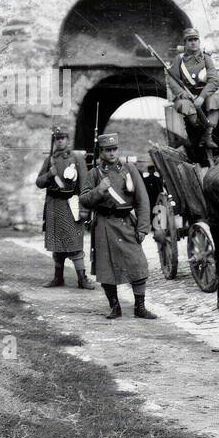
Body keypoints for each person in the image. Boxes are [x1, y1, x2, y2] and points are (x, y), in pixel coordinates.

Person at [80, 132, 156, 320]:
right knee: (106, 269)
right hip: (104, 225)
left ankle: (140, 307)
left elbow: (142, 200)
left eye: (114, 149)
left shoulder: (129, 169)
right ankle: (115, 307)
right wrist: (99, 190)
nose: (112, 153)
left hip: (126, 223)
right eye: (107, 150)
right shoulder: (94, 173)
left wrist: (143, 228)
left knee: (138, 264)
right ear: (101, 151)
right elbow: (84, 199)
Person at [34, 127, 95, 290]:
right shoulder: (50, 160)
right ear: (54, 140)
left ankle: (82, 279)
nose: (60, 141)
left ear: (68, 140)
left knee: (74, 244)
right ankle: (58, 277)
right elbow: (39, 183)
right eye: (57, 138)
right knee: (56, 244)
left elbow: (84, 185)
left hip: (70, 205)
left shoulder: (76, 158)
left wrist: (84, 208)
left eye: (63, 138)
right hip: (53, 206)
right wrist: (49, 175)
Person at [170, 27, 219, 159]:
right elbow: (172, 79)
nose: (193, 42)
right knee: (183, 105)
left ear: (199, 41)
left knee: (214, 99)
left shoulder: (206, 58)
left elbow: (214, 80)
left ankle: (208, 134)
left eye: (195, 39)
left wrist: (202, 97)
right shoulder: (179, 59)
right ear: (185, 43)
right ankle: (199, 128)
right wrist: (182, 93)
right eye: (190, 40)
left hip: (204, 94)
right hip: (188, 96)